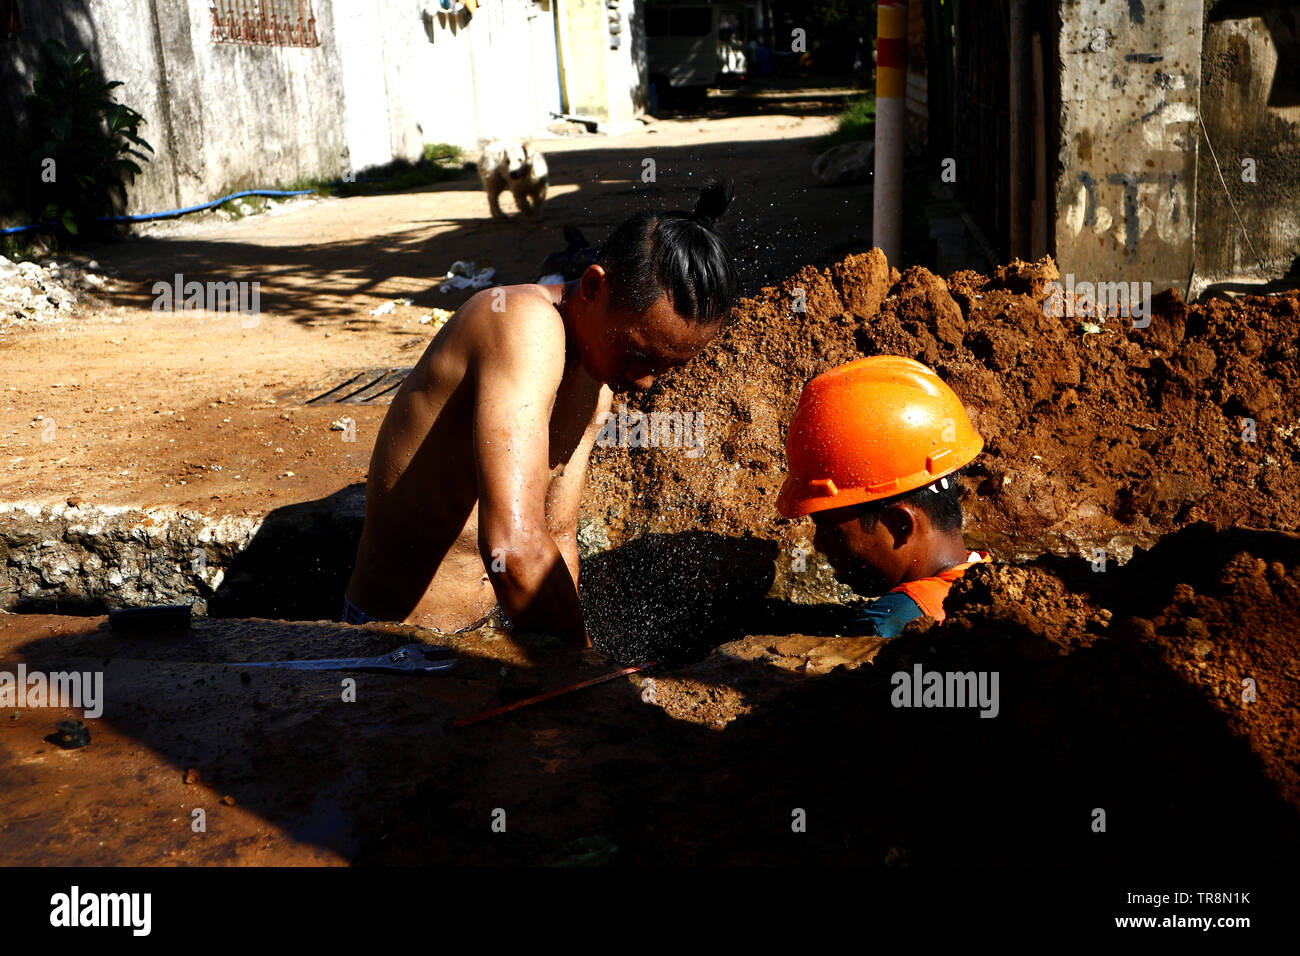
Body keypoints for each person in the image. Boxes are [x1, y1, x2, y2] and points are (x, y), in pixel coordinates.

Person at [343, 179, 739, 646]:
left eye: (666, 368)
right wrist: (584, 670)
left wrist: (576, 653)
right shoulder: (520, 321)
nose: (645, 381)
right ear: (594, 286)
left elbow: (558, 535)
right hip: (391, 646)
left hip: (484, 636)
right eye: (639, 355)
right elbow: (513, 547)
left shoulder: (597, 376)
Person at [775, 355, 989, 638]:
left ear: (900, 525)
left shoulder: (883, 626)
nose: (819, 544)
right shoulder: (986, 583)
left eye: (830, 529)